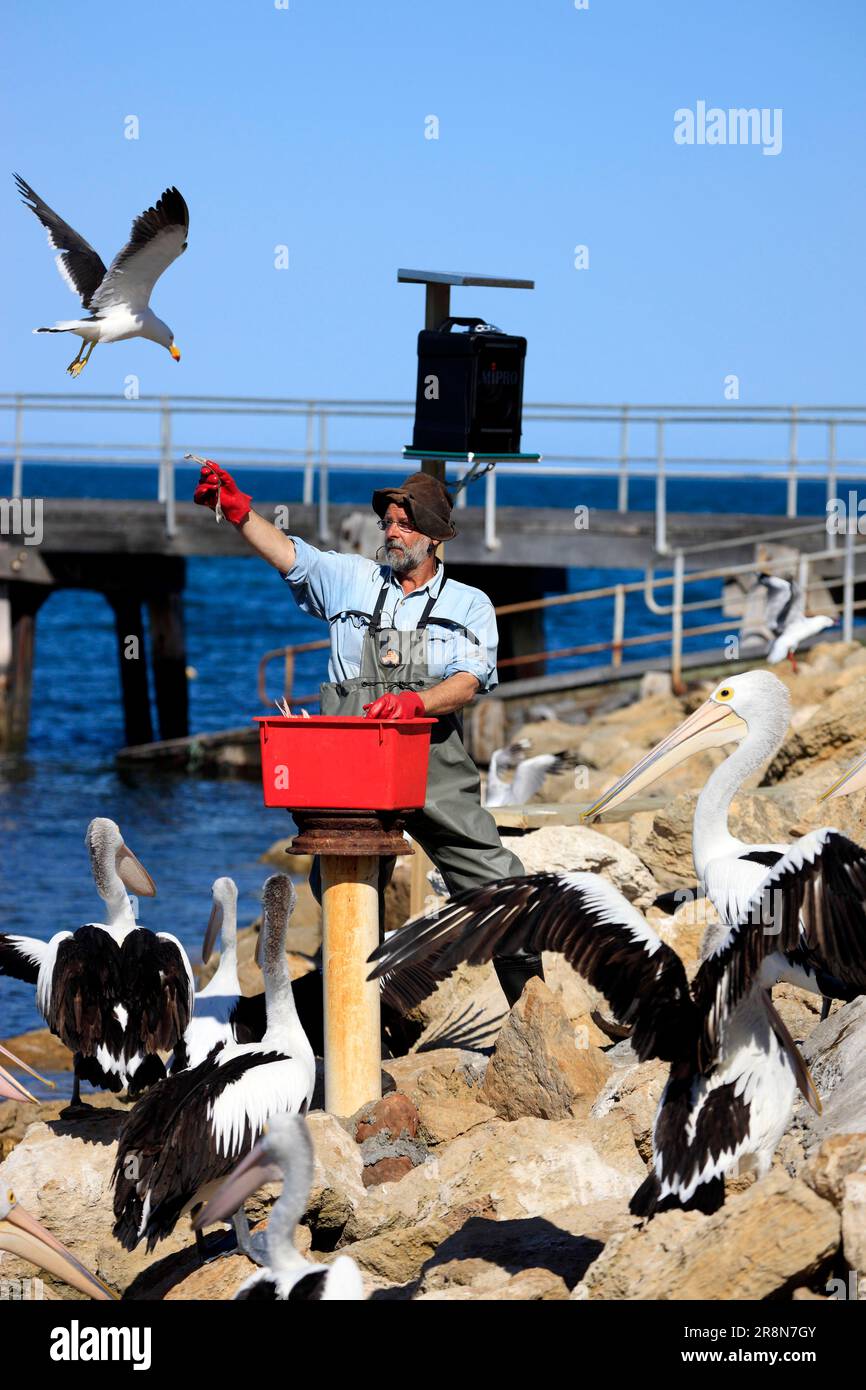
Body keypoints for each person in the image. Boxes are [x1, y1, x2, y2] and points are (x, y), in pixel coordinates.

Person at [194, 462, 544, 1007]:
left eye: (404, 524)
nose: (392, 532)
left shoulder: (470, 604)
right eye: (388, 522)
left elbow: (470, 679)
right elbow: (288, 553)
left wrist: (414, 702)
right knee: (343, 892)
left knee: (498, 883)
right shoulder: (350, 578)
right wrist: (239, 512)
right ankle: (366, 1020)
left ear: (433, 535)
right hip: (350, 769)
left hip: (430, 763)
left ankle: (534, 1012)